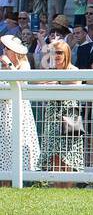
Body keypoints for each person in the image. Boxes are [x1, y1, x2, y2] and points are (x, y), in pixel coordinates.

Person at [34, 38, 83, 185]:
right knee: (53, 153)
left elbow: (74, 82)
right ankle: (56, 187)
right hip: (52, 113)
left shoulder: (74, 69)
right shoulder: (49, 70)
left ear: (67, 53)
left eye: (60, 52)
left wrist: (54, 81)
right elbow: (35, 81)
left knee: (68, 153)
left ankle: (67, 188)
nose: (57, 55)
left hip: (70, 114)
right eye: (53, 52)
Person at [0, 33, 39, 179]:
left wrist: (8, 65)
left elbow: (19, 82)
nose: (4, 51)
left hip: (18, 110)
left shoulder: (24, 64)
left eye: (7, 48)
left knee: (16, 141)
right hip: (3, 111)